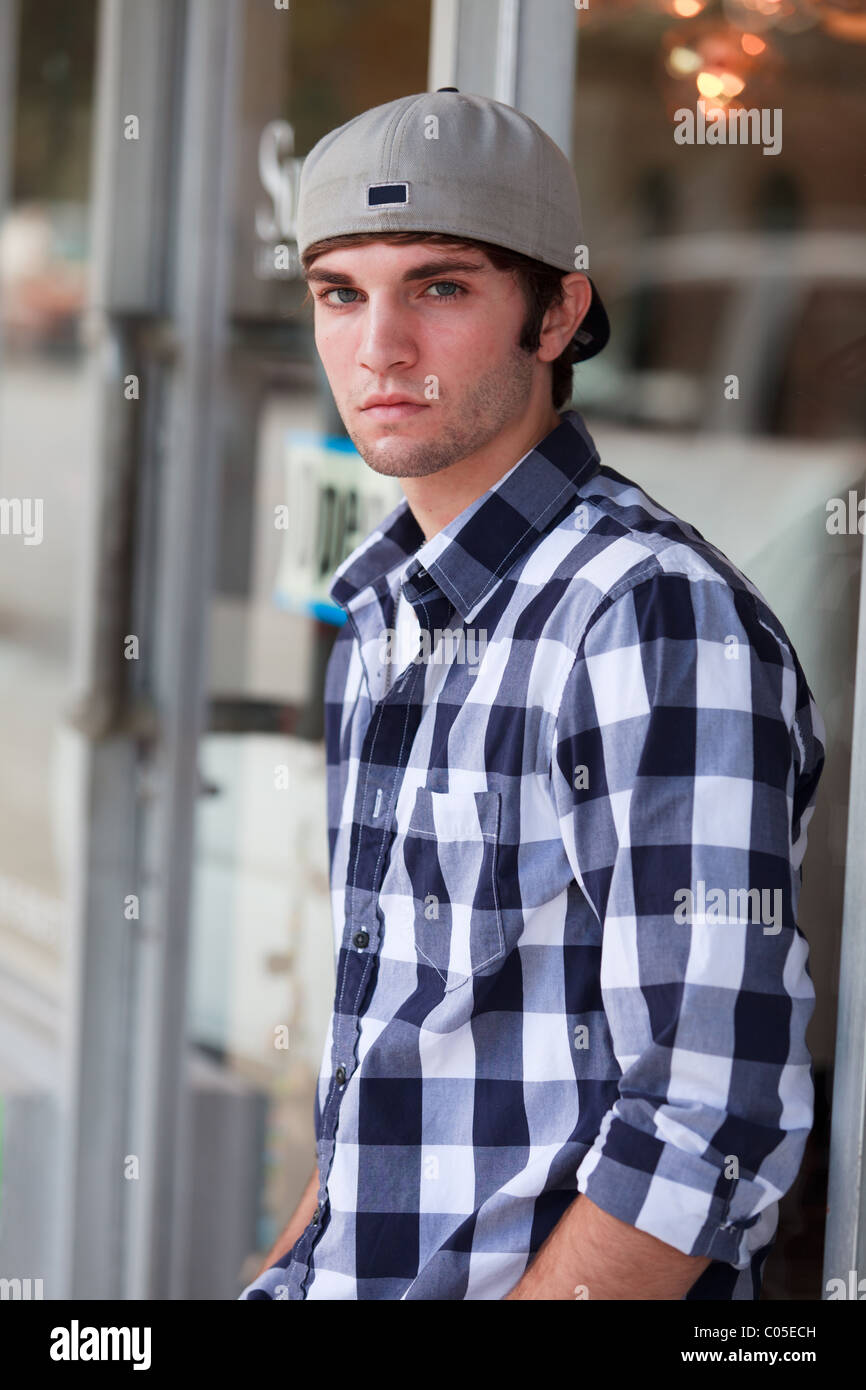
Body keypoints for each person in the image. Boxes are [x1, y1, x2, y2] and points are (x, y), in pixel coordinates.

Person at [239, 89, 825, 1301]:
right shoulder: (384, 616)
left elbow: (708, 1119)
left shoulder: (644, 618)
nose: (377, 347)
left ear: (556, 312)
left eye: (439, 288)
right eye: (340, 292)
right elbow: (385, 1069)